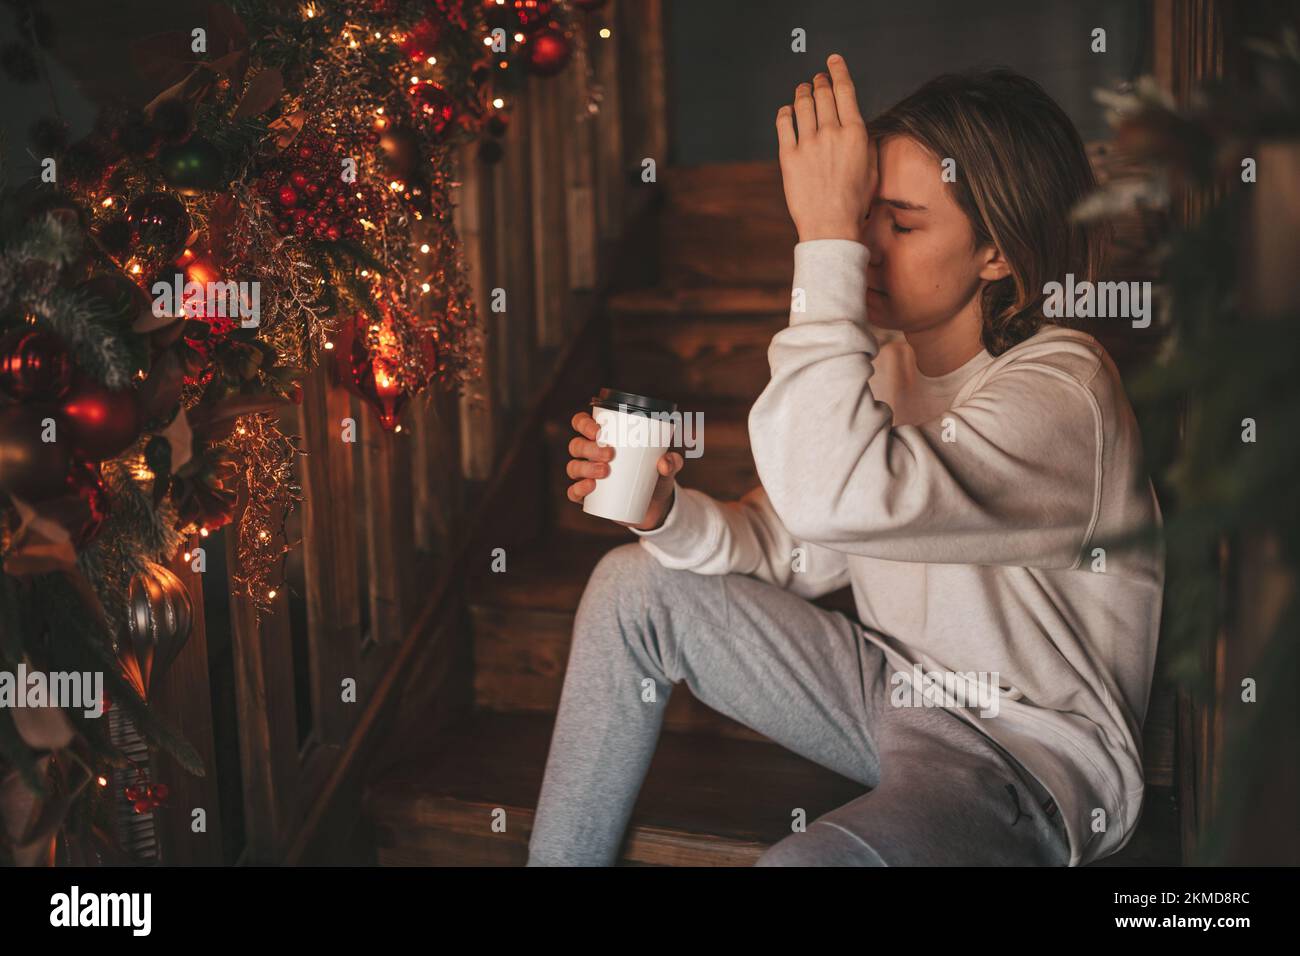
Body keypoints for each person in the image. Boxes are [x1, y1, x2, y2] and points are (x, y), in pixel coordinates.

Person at [527, 55, 1165, 867]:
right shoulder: (892, 367)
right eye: (862, 215)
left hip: (1022, 758)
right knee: (633, 584)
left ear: (997, 253)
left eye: (899, 222)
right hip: (893, 690)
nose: (863, 245)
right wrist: (666, 515)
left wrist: (821, 239)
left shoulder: (1064, 391)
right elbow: (790, 541)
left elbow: (840, 495)